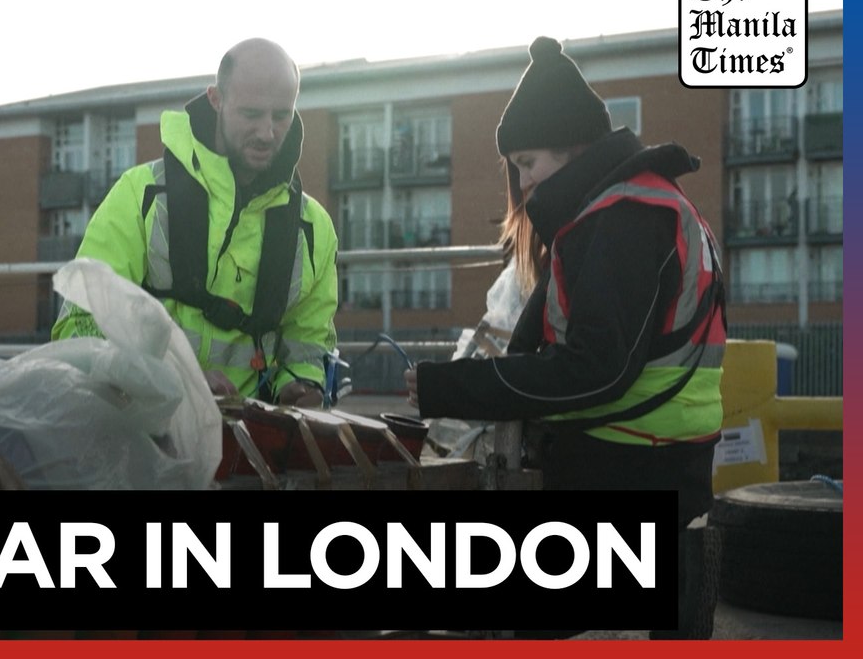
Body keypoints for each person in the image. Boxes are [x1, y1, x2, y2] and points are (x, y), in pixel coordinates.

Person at [404, 37, 726, 637]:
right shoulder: (635, 205)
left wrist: (445, 387)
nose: (523, 184)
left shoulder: (621, 219)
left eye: (528, 163)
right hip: (664, 468)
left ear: (575, 150)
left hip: (623, 465)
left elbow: (595, 368)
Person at [53, 38, 339, 407]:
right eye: (251, 114)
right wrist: (171, 377)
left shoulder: (314, 228)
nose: (268, 133)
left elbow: (309, 344)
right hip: (143, 425)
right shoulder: (139, 195)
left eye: (282, 116)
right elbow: (79, 325)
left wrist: (302, 385)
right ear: (216, 100)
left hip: (252, 440)